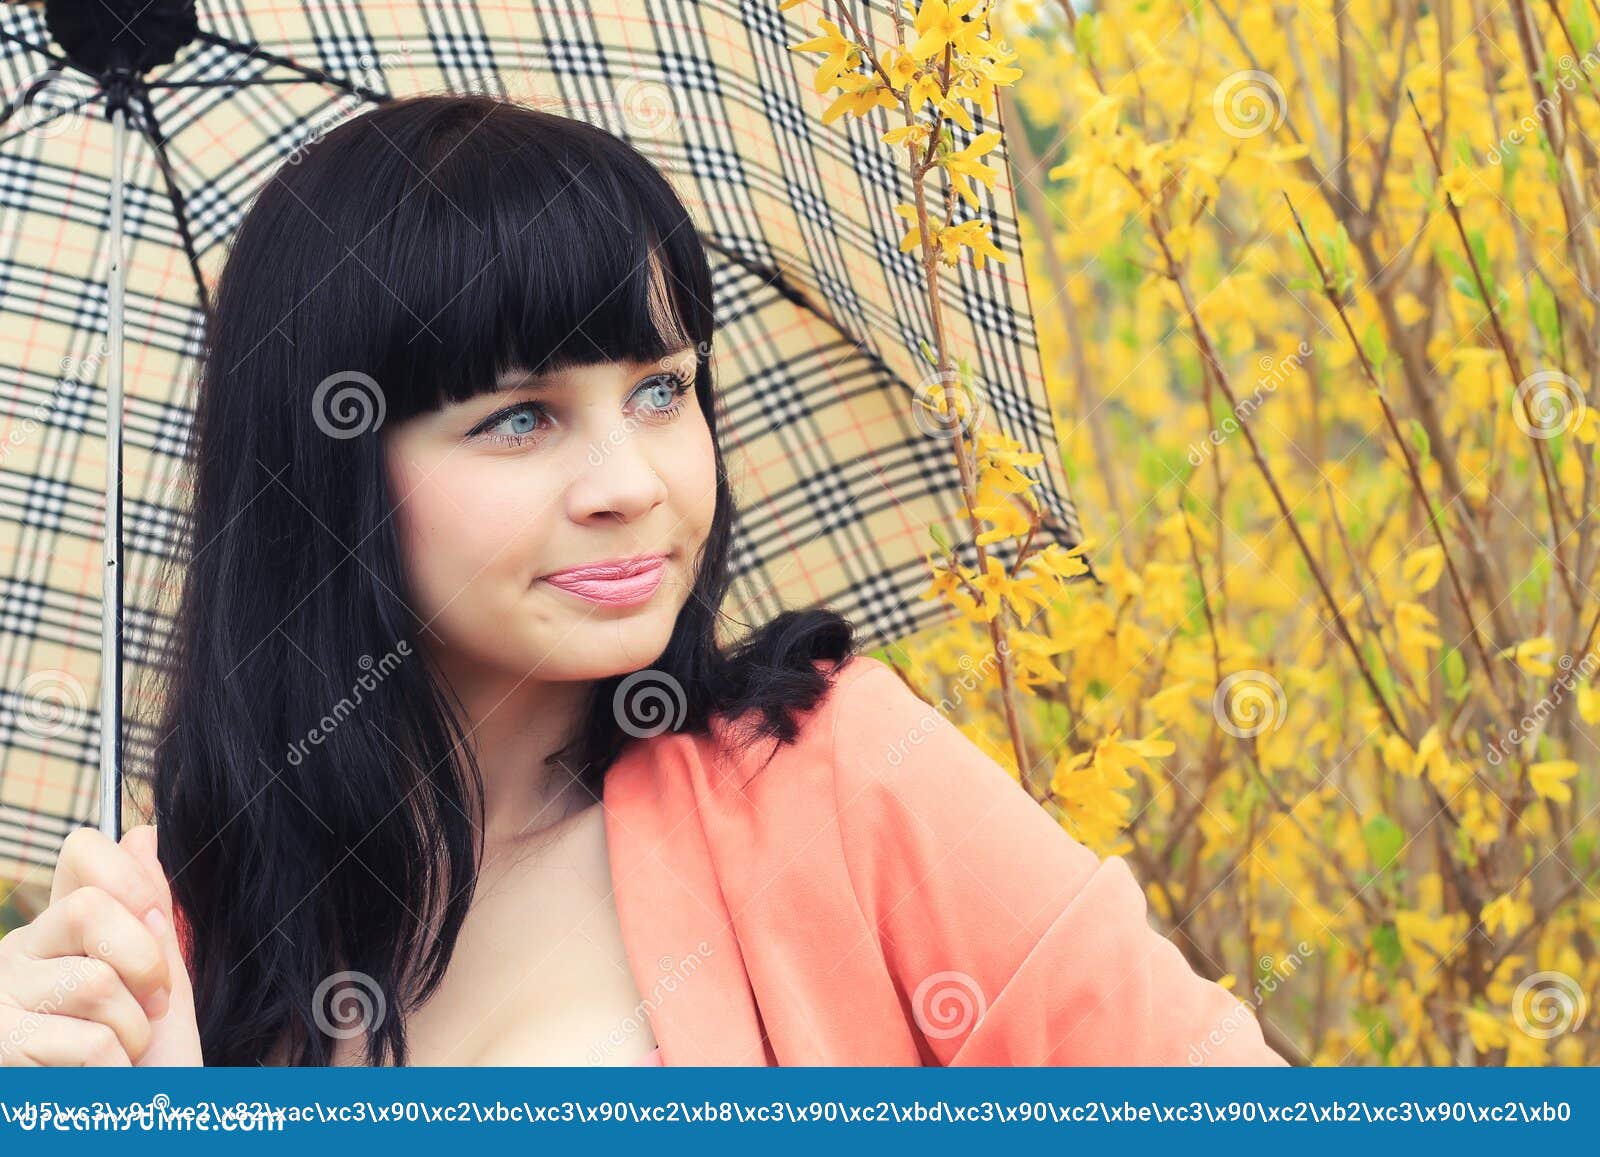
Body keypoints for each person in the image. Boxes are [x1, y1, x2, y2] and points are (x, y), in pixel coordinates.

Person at [0, 94, 1288, 1068]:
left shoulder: (832, 778)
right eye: (520, 416)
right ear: (327, 469)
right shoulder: (162, 938)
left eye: (662, 389)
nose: (633, 479)